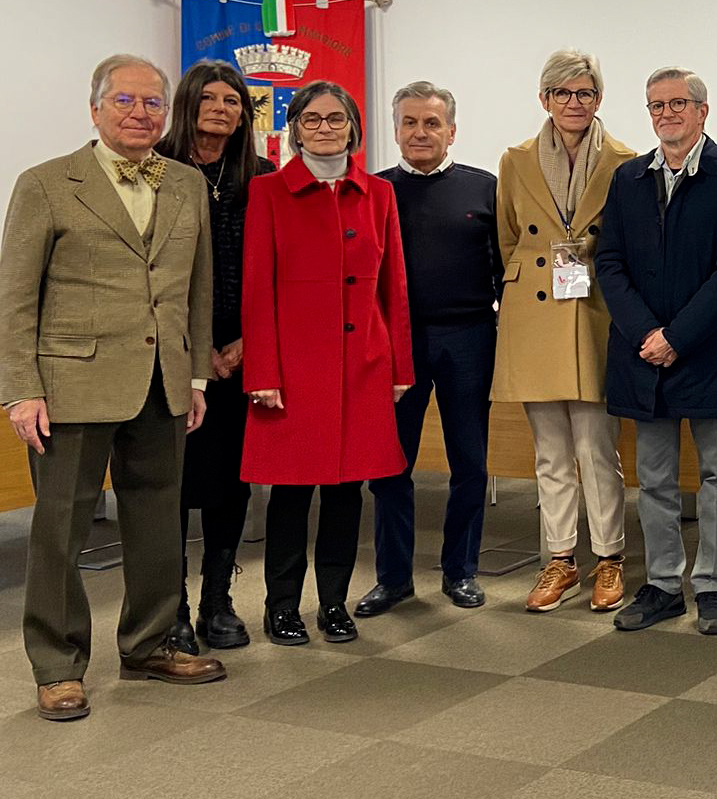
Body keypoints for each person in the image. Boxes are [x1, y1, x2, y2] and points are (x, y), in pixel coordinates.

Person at [2, 54, 226, 721]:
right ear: (95, 108)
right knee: (60, 530)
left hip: (163, 383)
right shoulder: (45, 184)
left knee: (157, 522)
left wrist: (194, 375)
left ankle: (150, 644)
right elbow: (15, 298)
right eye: (125, 101)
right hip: (69, 386)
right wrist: (20, 389)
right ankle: (57, 665)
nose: (140, 114)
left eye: (153, 103)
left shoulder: (186, 183)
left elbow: (197, 289)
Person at [243, 81, 413, 647]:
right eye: (311, 119)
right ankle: (281, 606)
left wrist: (399, 367)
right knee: (291, 493)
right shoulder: (268, 191)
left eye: (335, 118)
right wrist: (262, 372)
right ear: (295, 128)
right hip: (294, 371)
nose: (324, 128)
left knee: (346, 492)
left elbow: (394, 287)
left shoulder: (379, 194)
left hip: (363, 365)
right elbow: (256, 289)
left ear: (353, 127)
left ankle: (334, 603)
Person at [598, 67, 717, 636]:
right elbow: (610, 262)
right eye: (656, 105)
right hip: (645, 354)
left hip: (711, 350)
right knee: (654, 478)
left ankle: (712, 584)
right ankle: (664, 586)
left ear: (702, 111)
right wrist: (647, 334)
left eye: (678, 103)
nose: (666, 114)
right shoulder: (628, 178)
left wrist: (677, 337)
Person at [494, 50, 638, 613]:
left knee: (597, 447)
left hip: (596, 310)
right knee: (550, 452)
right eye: (562, 93)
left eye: (584, 93)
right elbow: (509, 238)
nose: (573, 103)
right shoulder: (516, 160)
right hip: (536, 313)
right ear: (544, 99)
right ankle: (560, 560)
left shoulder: (625, 161)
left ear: (599, 99)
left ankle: (609, 557)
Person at [358, 81, 504, 617]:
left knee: (470, 462)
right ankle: (393, 578)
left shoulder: (484, 188)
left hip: (470, 337)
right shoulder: (373, 191)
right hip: (397, 342)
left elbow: (504, 268)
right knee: (391, 465)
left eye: (432, 123)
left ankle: (461, 571)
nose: (420, 132)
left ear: (452, 131)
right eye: (410, 122)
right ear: (396, 129)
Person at [155, 59, 273, 653]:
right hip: (171, 345)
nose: (222, 109)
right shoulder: (157, 170)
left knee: (231, 480)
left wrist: (249, 342)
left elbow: (279, 266)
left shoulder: (263, 176)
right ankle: (171, 606)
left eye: (233, 101)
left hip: (246, 345)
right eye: (210, 98)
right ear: (188, 104)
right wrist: (197, 350)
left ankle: (217, 602)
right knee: (174, 482)